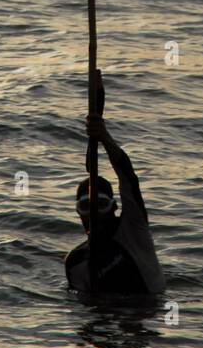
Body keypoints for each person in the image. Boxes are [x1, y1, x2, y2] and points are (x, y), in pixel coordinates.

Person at [65, 73, 165, 295]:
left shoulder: (133, 228)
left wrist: (105, 138)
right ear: (77, 213)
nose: (93, 213)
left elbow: (128, 177)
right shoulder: (76, 263)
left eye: (100, 205)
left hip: (146, 316)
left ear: (114, 207)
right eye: (86, 206)